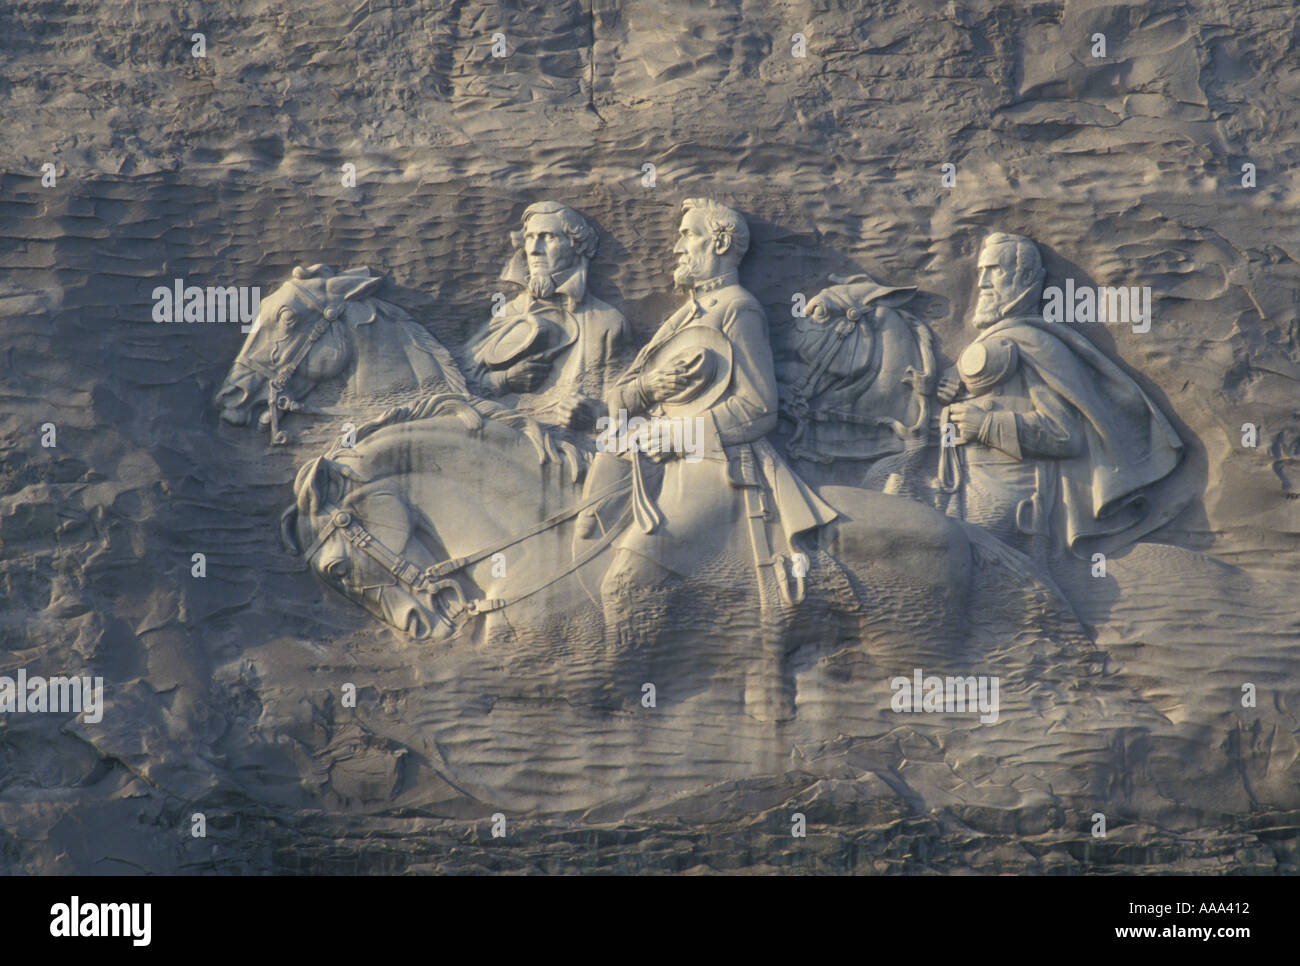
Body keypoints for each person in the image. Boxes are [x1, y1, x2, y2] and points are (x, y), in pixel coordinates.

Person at [936, 232, 1182, 562]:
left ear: (1023, 278)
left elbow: (1065, 435)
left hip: (1010, 501)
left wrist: (986, 425)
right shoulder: (996, 342)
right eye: (981, 271)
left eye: (993, 270)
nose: (982, 283)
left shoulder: (1038, 343)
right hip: (961, 485)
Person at [464, 201, 628, 431]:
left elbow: (631, 404)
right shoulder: (506, 313)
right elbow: (463, 384)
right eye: (530, 238)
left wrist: (593, 414)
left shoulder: (606, 323)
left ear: (576, 245)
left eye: (548, 237)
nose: (534, 249)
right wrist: (506, 379)